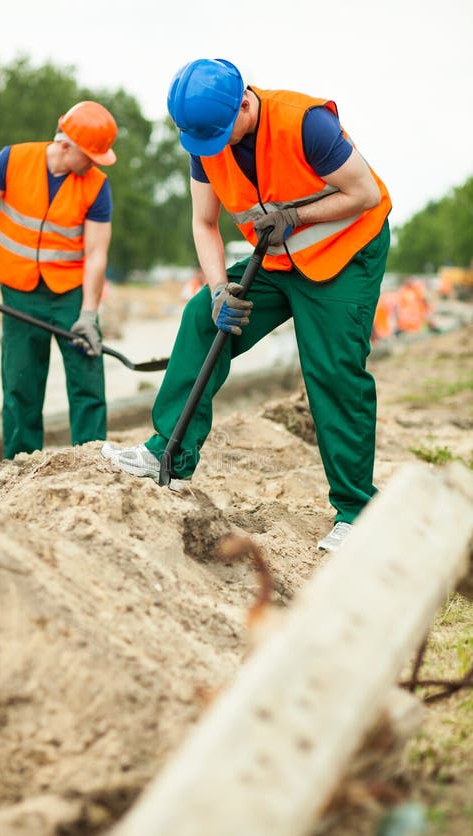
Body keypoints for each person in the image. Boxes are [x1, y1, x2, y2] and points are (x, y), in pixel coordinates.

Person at [103, 58, 392, 553]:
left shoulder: (306, 124)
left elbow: (364, 193)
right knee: (201, 321)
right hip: (277, 260)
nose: (211, 147)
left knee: (333, 369)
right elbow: (203, 223)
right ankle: (167, 453)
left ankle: (356, 511)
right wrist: (220, 291)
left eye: (218, 134)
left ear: (243, 102)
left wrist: (295, 216)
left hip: (344, 256)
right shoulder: (206, 139)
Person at [0, 100, 117, 459]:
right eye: (92, 155)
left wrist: (88, 315)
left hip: (70, 295)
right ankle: (20, 461)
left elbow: (97, 255)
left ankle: (93, 457)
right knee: (21, 382)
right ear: (67, 146)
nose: (96, 163)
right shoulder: (12, 160)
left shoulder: (96, 186)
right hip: (19, 291)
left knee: (87, 379)